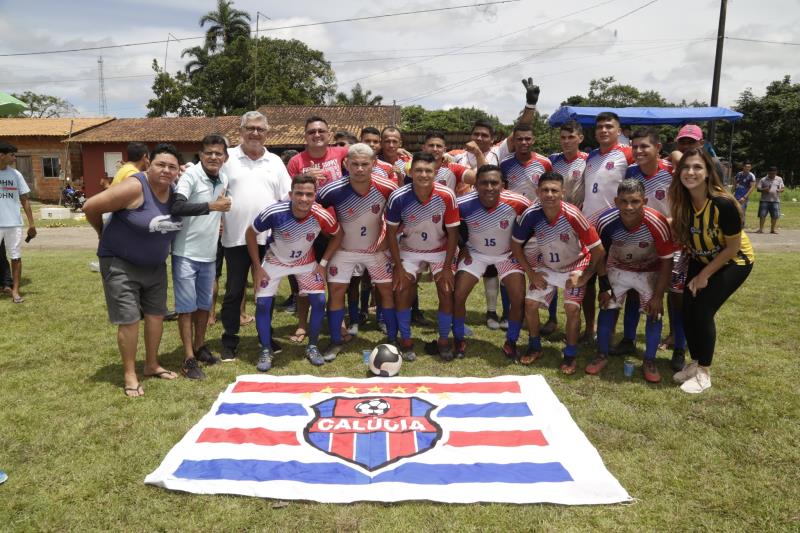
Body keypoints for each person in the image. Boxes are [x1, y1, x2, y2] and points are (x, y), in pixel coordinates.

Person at [83, 143, 185, 397]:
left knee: (156, 315)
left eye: (172, 167)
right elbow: (90, 206)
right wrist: (101, 232)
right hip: (120, 263)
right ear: (148, 164)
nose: (166, 170)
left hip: (155, 265)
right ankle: (130, 373)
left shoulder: (175, 192)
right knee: (129, 319)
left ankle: (152, 364)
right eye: (161, 164)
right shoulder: (135, 186)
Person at [670, 148, 754, 393]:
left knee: (703, 309)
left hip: (734, 260)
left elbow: (732, 248)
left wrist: (704, 276)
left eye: (697, 167)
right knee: (687, 309)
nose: (690, 172)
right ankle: (695, 363)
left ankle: (704, 373)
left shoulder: (723, 204)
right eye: (686, 167)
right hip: (700, 258)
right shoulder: (682, 201)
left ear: (708, 172)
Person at [511, 171, 604, 373]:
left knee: (572, 309)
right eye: (545, 190)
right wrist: (532, 274)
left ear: (563, 192)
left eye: (554, 190)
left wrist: (585, 276)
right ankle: (535, 346)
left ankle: (570, 354)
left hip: (575, 266)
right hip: (548, 267)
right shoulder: (530, 214)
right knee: (530, 304)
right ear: (538, 192)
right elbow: (516, 246)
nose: (549, 194)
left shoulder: (573, 215)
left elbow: (599, 250)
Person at [246, 174, 342, 370]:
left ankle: (312, 346)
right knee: (263, 304)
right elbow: (250, 233)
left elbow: (338, 234)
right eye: (299, 193)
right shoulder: (275, 212)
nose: (304, 199)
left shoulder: (321, 214)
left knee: (319, 301)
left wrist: (323, 263)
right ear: (291, 195)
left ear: (315, 195)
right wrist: (257, 267)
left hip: (305, 261)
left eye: (309, 194)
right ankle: (266, 349)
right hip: (275, 260)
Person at [219, 111, 291, 362]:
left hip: (268, 239)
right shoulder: (228, 159)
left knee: (265, 291)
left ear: (267, 133)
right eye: (250, 128)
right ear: (240, 131)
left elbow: (287, 197)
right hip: (235, 237)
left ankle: (265, 336)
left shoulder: (275, 162)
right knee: (234, 291)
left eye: (260, 129)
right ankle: (229, 339)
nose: (255, 133)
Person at [587, 179, 674, 383]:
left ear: (644, 201)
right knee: (608, 306)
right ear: (616, 201)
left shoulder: (657, 222)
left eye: (635, 201)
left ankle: (649, 360)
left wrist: (658, 296)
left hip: (649, 270)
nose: (629, 207)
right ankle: (602, 353)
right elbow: (599, 254)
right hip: (618, 267)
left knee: (654, 313)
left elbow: (667, 261)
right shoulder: (605, 221)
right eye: (624, 201)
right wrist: (604, 287)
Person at [317, 143, 398, 361]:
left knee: (386, 292)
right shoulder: (331, 189)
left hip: (375, 250)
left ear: (374, 164)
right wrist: (330, 234)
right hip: (344, 250)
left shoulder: (388, 187)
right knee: (336, 292)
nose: (360, 169)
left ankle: (392, 339)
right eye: (355, 164)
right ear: (346, 164)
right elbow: (314, 213)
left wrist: (387, 239)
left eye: (364, 164)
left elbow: (404, 214)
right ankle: (335, 340)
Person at [385, 152, 460, 361]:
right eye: (418, 170)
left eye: (428, 171)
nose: (423, 175)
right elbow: (391, 233)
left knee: (446, 289)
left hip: (439, 250)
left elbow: (453, 233)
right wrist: (398, 267)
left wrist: (447, 267)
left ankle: (443, 340)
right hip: (409, 249)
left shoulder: (447, 195)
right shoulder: (398, 196)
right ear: (411, 172)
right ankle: (406, 339)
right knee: (402, 289)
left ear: (435, 173)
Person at [169, 134, 232, 380]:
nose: (214, 157)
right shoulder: (191, 176)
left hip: (209, 252)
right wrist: (211, 206)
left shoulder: (223, 177)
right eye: (209, 153)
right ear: (201, 155)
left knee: (205, 305)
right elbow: (177, 207)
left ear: (225, 157)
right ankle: (188, 359)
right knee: (186, 308)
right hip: (185, 253)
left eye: (218, 153)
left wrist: (219, 216)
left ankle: (199, 345)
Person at [453, 165, 531, 360]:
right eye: (484, 183)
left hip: (506, 255)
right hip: (476, 253)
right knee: (458, 295)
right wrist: (462, 246)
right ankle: (458, 339)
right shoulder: (462, 203)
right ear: (475, 185)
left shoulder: (519, 202)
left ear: (502, 185)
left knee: (518, 299)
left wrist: (520, 249)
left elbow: (533, 222)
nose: (489, 187)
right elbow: (450, 226)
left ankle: (511, 341)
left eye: (494, 183)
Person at [286, 116, 349, 344]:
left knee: (336, 278)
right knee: (303, 279)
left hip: (335, 227)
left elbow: (368, 155)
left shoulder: (341, 153)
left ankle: (338, 322)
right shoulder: (296, 161)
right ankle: (302, 324)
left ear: (329, 134)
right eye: (312, 131)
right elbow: (288, 193)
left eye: (321, 130)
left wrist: (399, 154)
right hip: (306, 228)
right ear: (305, 136)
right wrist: (304, 178)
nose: (317, 135)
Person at [580, 112, 633, 343]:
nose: (603, 130)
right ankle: (589, 328)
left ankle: (609, 332)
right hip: (589, 228)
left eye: (609, 126)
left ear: (618, 131)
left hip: (614, 227)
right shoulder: (591, 156)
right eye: (600, 126)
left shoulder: (628, 153)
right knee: (588, 280)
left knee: (613, 282)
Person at [0, 142, 36, 304]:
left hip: (13, 224)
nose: (15, 158)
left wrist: (31, 223)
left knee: (16, 257)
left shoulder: (16, 174)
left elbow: (24, 199)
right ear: (2, 155)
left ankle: (15, 291)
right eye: (12, 155)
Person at [756, 166, 784, 234]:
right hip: (764, 200)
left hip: (775, 200)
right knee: (762, 215)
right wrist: (764, 189)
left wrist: (780, 190)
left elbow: (782, 188)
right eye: (771, 173)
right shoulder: (763, 179)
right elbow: (758, 189)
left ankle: (772, 230)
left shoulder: (779, 179)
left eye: (774, 173)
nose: (772, 175)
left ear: (776, 172)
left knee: (775, 216)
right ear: (768, 173)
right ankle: (761, 229)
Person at [733, 162, 756, 227]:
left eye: (749, 167)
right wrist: (732, 193)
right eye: (746, 167)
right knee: (734, 211)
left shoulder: (751, 176)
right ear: (743, 167)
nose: (748, 168)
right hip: (735, 196)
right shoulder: (739, 174)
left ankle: (741, 226)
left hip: (743, 197)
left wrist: (744, 197)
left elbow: (752, 187)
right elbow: (734, 184)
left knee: (741, 212)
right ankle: (734, 225)